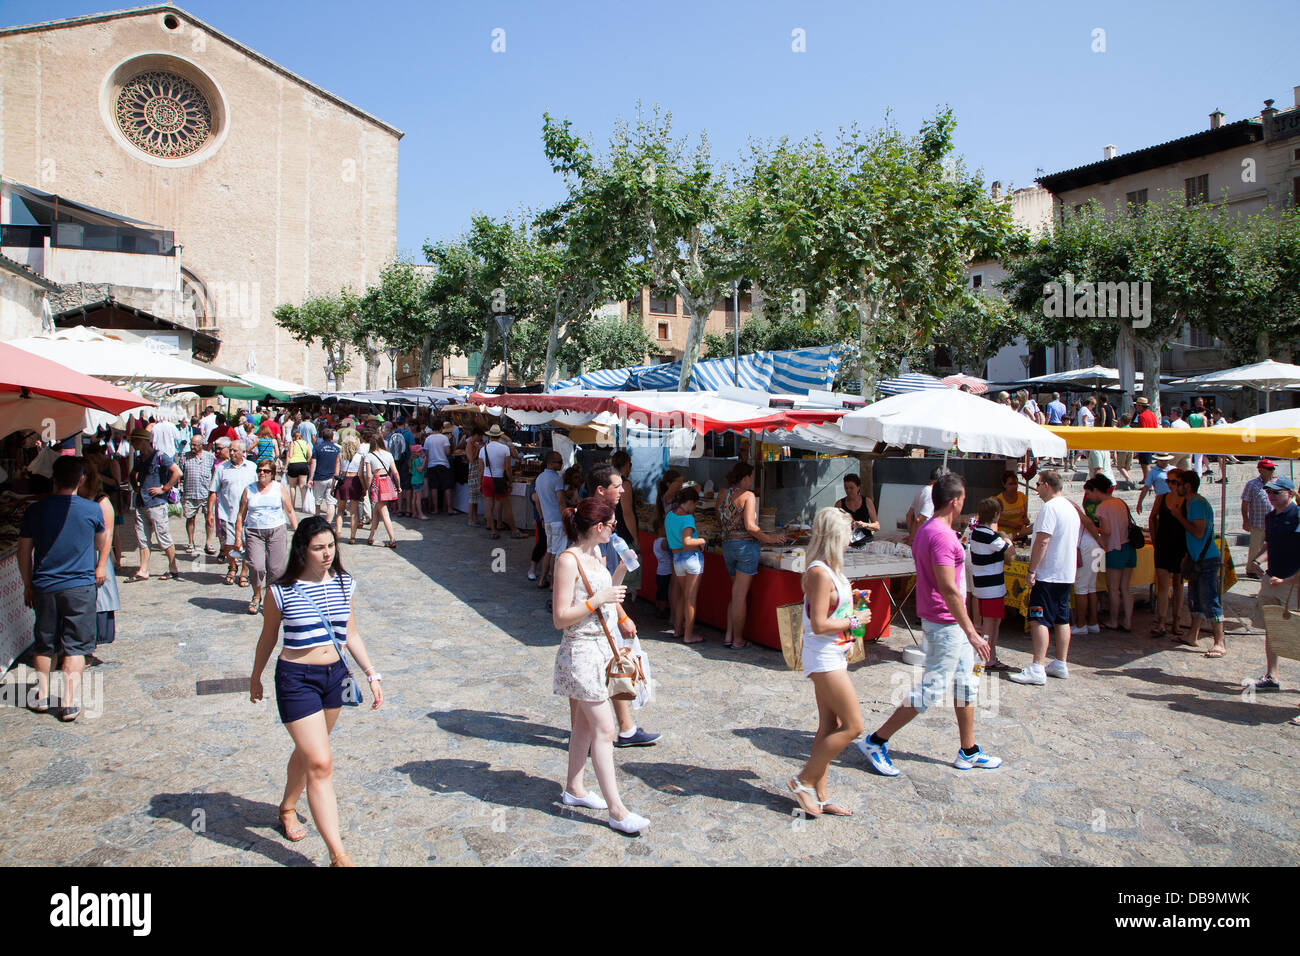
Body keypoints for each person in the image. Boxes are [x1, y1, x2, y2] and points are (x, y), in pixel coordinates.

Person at [249, 516, 383, 866]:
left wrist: (371, 673)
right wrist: (255, 676)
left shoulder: (344, 584)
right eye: (318, 547)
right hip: (296, 679)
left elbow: (350, 633)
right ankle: (338, 855)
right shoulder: (280, 590)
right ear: (302, 550)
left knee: (310, 752)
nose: (327, 554)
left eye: (330, 546)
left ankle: (287, 807)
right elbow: (268, 637)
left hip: (335, 677)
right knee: (321, 762)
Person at [859, 473, 1000, 776]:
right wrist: (972, 631)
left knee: (966, 682)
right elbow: (948, 588)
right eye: (963, 499)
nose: (964, 504)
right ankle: (876, 740)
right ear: (954, 502)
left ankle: (969, 749)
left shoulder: (927, 529)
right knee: (933, 687)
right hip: (945, 621)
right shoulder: (940, 535)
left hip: (950, 622)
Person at [550, 498, 649, 834]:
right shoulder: (568, 560)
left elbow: (603, 595)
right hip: (579, 654)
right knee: (605, 730)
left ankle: (574, 789)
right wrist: (598, 600)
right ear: (597, 527)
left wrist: (621, 570)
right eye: (611, 525)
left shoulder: (596, 555)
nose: (614, 529)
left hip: (600, 652)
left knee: (585, 727)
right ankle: (617, 811)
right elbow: (560, 618)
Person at [788, 507, 868, 817]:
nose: (852, 537)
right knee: (853, 725)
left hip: (835, 653)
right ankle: (803, 779)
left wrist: (854, 613)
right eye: (849, 532)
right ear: (836, 535)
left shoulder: (833, 570)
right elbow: (819, 623)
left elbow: (835, 617)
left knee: (829, 725)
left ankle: (819, 795)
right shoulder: (820, 572)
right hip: (822, 656)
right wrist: (853, 619)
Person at [18, 456, 110, 722]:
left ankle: (43, 695)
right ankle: (69, 702)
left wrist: (27, 583)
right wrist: (100, 566)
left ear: (53, 479)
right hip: (80, 586)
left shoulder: (36, 510)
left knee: (44, 641)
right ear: (81, 479)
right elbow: (101, 542)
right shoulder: (92, 510)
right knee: (76, 646)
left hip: (45, 585)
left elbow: (24, 551)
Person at [585, 464, 660, 748]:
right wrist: (622, 616)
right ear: (601, 490)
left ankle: (625, 728)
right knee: (595, 676)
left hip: (605, 608)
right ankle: (589, 737)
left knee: (615, 667)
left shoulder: (605, 518)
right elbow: (597, 580)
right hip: (598, 615)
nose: (623, 490)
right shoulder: (595, 522)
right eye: (618, 486)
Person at [1010, 470, 1080, 685]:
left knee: (1038, 618)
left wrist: (1032, 570)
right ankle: (1060, 662)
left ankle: (1038, 666)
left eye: (1038, 484)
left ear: (1047, 485)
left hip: (1049, 573)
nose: (1036, 489)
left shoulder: (1050, 508)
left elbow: (1042, 540)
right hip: (1065, 573)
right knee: (1061, 618)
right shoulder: (1070, 507)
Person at [717, 463, 786, 649]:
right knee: (740, 595)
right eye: (751, 477)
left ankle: (729, 635)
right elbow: (750, 526)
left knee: (735, 593)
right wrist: (769, 538)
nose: (751, 481)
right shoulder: (748, 496)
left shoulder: (723, 494)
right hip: (745, 548)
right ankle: (738, 640)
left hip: (727, 545)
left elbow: (720, 518)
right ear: (745, 477)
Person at [1245, 476, 1300, 693]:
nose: (1272, 496)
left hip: (1292, 581)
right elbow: (1271, 544)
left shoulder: (1297, 515)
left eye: (1277, 492)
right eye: (1269, 492)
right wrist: (1258, 560)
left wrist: (1289, 580)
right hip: (1272, 578)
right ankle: (1272, 675)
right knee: (1271, 626)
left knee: (1295, 629)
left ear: (1291, 493)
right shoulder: (1270, 517)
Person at [1165, 470, 1225, 658]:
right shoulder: (1193, 503)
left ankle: (1219, 642)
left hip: (1206, 559)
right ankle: (1193, 635)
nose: (1175, 486)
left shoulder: (1197, 504)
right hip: (1197, 557)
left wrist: (1178, 516)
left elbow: (1198, 532)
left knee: (1209, 599)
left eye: (1178, 483)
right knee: (1196, 600)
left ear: (1187, 486)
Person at [236, 459, 298, 615]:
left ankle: (272, 600)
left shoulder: (279, 488)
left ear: (272, 473)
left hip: (276, 530)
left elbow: (289, 511)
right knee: (256, 567)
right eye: (259, 470)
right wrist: (238, 537)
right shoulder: (249, 490)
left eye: (266, 471)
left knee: (275, 569)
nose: (261, 473)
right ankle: (256, 595)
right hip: (254, 531)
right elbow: (240, 515)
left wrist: (298, 532)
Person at [126, 427, 182, 582]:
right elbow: (132, 474)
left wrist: (163, 488)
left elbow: (177, 472)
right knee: (142, 538)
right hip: (141, 503)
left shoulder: (160, 456)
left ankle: (173, 567)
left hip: (157, 504)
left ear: (143, 441)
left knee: (163, 536)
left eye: (135, 441)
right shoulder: (139, 458)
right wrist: (135, 486)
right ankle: (143, 570)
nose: (133, 444)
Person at [968, 497, 1013, 671]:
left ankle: (988, 655)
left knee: (991, 621)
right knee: (990, 623)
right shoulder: (991, 536)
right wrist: (1007, 538)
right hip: (992, 586)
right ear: (996, 515)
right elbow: (1010, 553)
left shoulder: (976, 532)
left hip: (982, 584)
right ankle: (986, 657)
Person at [1092, 475, 1137, 632]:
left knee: (1113, 588)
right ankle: (1128, 621)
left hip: (1114, 549)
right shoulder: (1120, 502)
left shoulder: (1103, 506)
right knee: (1125, 587)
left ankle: (1113, 620)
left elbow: (1107, 531)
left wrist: (1091, 527)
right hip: (1128, 548)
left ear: (1096, 490)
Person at [1148, 469, 1188, 641]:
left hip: (1181, 546)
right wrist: (1155, 538)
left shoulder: (1188, 500)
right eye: (1169, 481)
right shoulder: (1162, 498)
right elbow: (1152, 517)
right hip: (1163, 545)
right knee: (1163, 585)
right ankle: (1161, 621)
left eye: (1175, 482)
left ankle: (1176, 622)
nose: (1171, 485)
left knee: (1179, 585)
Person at [665, 487, 706, 644]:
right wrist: (702, 541)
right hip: (691, 559)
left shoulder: (669, 516)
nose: (694, 507)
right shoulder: (688, 518)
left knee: (683, 595)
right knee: (690, 599)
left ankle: (677, 629)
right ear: (690, 502)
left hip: (677, 559)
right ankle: (689, 635)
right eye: (695, 504)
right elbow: (687, 542)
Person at [1072, 478, 1106, 637]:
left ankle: (1081, 624)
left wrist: (1098, 539)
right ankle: (1093, 622)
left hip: (1088, 546)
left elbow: (1088, 522)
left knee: (1081, 587)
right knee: (1091, 586)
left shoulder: (1068, 505)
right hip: (1095, 546)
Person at [479, 424, 523, 539]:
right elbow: (507, 468)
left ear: (490, 436)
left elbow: (480, 469)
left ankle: (493, 530)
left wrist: (479, 482)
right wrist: (510, 481)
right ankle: (514, 530)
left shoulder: (483, 449)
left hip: (486, 478)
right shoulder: (504, 448)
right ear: (499, 435)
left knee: (489, 505)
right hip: (499, 478)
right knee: (506, 506)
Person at [179, 433, 217, 556]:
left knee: (209, 519)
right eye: (191, 445)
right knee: (190, 518)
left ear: (202, 445)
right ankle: (191, 542)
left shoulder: (210, 457)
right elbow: (180, 473)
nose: (192, 447)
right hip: (190, 492)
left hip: (206, 493)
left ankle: (208, 542)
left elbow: (214, 473)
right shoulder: (185, 457)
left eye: (195, 445)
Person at [361, 431, 400, 549]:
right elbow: (395, 472)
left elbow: (368, 475)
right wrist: (398, 485)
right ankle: (371, 536)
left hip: (377, 481)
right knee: (377, 510)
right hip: (387, 481)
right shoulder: (388, 454)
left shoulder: (369, 455)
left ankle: (392, 538)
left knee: (383, 511)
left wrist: (367, 488)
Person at [534, 452, 566, 589]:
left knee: (550, 551)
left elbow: (537, 500)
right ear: (551, 463)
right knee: (557, 553)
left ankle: (542, 579)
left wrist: (541, 516)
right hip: (557, 520)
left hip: (547, 520)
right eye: (559, 462)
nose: (561, 464)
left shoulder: (539, 478)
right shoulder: (556, 479)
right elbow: (560, 501)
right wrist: (566, 517)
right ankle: (553, 583)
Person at [1242, 459, 1277, 576]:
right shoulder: (1252, 484)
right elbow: (1245, 503)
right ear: (1261, 470)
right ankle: (1251, 569)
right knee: (1255, 548)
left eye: (1273, 468)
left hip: (1273, 523)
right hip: (1258, 522)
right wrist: (1245, 520)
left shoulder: (1276, 483)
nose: (1272, 471)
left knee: (1273, 547)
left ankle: (1271, 569)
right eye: (1269, 468)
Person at [333, 435, 364, 544]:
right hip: (354, 481)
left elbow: (336, 473)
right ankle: (352, 536)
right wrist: (364, 487)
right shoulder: (360, 457)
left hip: (343, 481)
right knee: (354, 512)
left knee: (340, 510)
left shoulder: (340, 455)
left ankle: (338, 531)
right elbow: (360, 474)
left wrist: (333, 486)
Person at [309, 427, 341, 525]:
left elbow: (313, 464)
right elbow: (339, 464)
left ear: (322, 437)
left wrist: (310, 478)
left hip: (319, 477)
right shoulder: (337, 449)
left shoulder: (318, 448)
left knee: (318, 501)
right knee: (331, 502)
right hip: (332, 478)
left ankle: (317, 520)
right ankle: (328, 523)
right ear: (332, 437)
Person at [835, 473, 880, 539]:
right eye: (846, 488)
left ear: (858, 487)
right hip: (846, 541)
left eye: (851, 488)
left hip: (866, 540)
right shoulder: (839, 504)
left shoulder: (867, 501)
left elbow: (877, 526)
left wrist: (864, 525)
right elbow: (834, 525)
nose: (848, 491)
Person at [906, 467, 944, 544]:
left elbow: (909, 515)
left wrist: (911, 534)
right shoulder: (931, 493)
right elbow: (919, 520)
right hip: (924, 539)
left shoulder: (922, 490)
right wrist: (912, 539)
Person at [423, 422, 453, 516]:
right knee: (446, 487)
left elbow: (426, 454)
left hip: (432, 464)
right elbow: (447, 452)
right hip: (443, 464)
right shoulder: (444, 438)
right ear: (441, 428)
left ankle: (435, 509)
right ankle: (449, 508)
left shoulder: (428, 439)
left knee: (434, 488)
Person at [996, 470, 1030, 540]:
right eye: (1010, 484)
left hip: (1020, 534)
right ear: (1004, 484)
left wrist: (1025, 520)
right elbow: (995, 520)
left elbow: (1024, 516)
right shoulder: (998, 500)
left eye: (1015, 484)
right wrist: (1011, 524)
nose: (1014, 486)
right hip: (1005, 536)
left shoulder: (1022, 496)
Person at [284, 429, 313, 511]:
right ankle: (304, 505)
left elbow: (289, 455)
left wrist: (285, 467)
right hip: (303, 464)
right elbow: (310, 454)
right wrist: (307, 461)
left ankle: (292, 505)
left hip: (293, 464)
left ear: (294, 437)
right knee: (302, 486)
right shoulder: (306, 443)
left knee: (292, 486)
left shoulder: (293, 443)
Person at [1132, 395, 1159, 482]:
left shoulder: (1141, 416)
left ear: (1140, 406)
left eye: (1137, 405)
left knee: (1145, 463)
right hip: (1152, 440)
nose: (1136, 407)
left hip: (1144, 442)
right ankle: (1145, 478)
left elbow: (1142, 430)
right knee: (1145, 462)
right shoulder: (1152, 414)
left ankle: (1149, 481)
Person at [465, 424, 487, 527]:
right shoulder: (470, 444)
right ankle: (470, 519)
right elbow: (471, 459)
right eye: (480, 436)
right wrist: (478, 449)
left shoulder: (474, 443)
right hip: (473, 472)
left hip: (476, 471)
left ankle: (475, 517)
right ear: (477, 435)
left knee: (475, 498)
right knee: (472, 497)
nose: (481, 438)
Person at [408, 446, 427, 520]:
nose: (420, 453)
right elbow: (420, 469)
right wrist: (424, 461)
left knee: (414, 498)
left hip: (414, 480)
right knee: (418, 499)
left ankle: (414, 513)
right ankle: (420, 514)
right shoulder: (417, 460)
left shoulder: (412, 460)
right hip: (418, 480)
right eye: (419, 451)